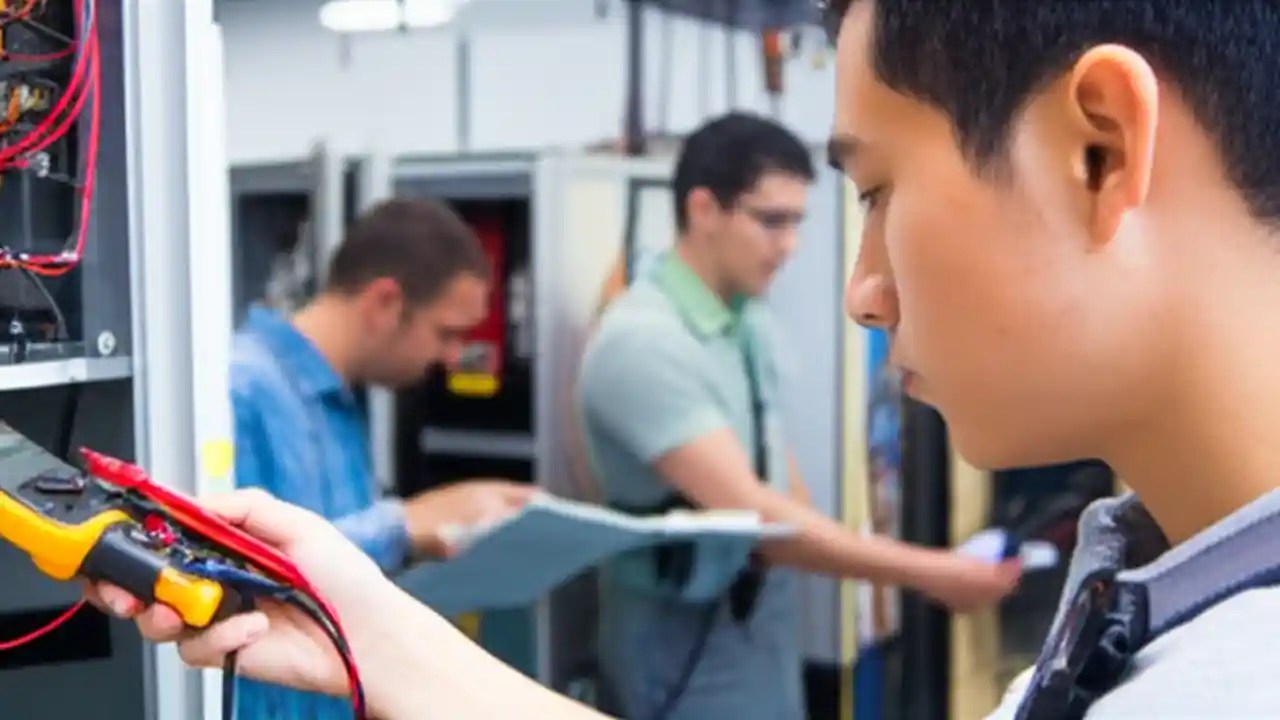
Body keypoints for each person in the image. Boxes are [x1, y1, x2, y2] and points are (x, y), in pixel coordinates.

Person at [87, 0, 1280, 716]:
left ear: (1098, 150)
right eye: (844, 200)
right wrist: (379, 635)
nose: (861, 290)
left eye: (875, 191)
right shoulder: (1152, 595)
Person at [575, 111, 1019, 720]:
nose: (791, 245)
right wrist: (935, 573)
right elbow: (755, 514)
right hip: (684, 650)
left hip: (760, 631)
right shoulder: (642, 342)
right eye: (771, 221)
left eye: (796, 222)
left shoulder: (743, 320)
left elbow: (783, 490)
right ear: (703, 209)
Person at [229, 197, 535, 718]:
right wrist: (407, 523)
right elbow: (236, 573)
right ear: (385, 302)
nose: (454, 359)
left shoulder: (344, 401)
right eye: (448, 333)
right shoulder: (240, 390)